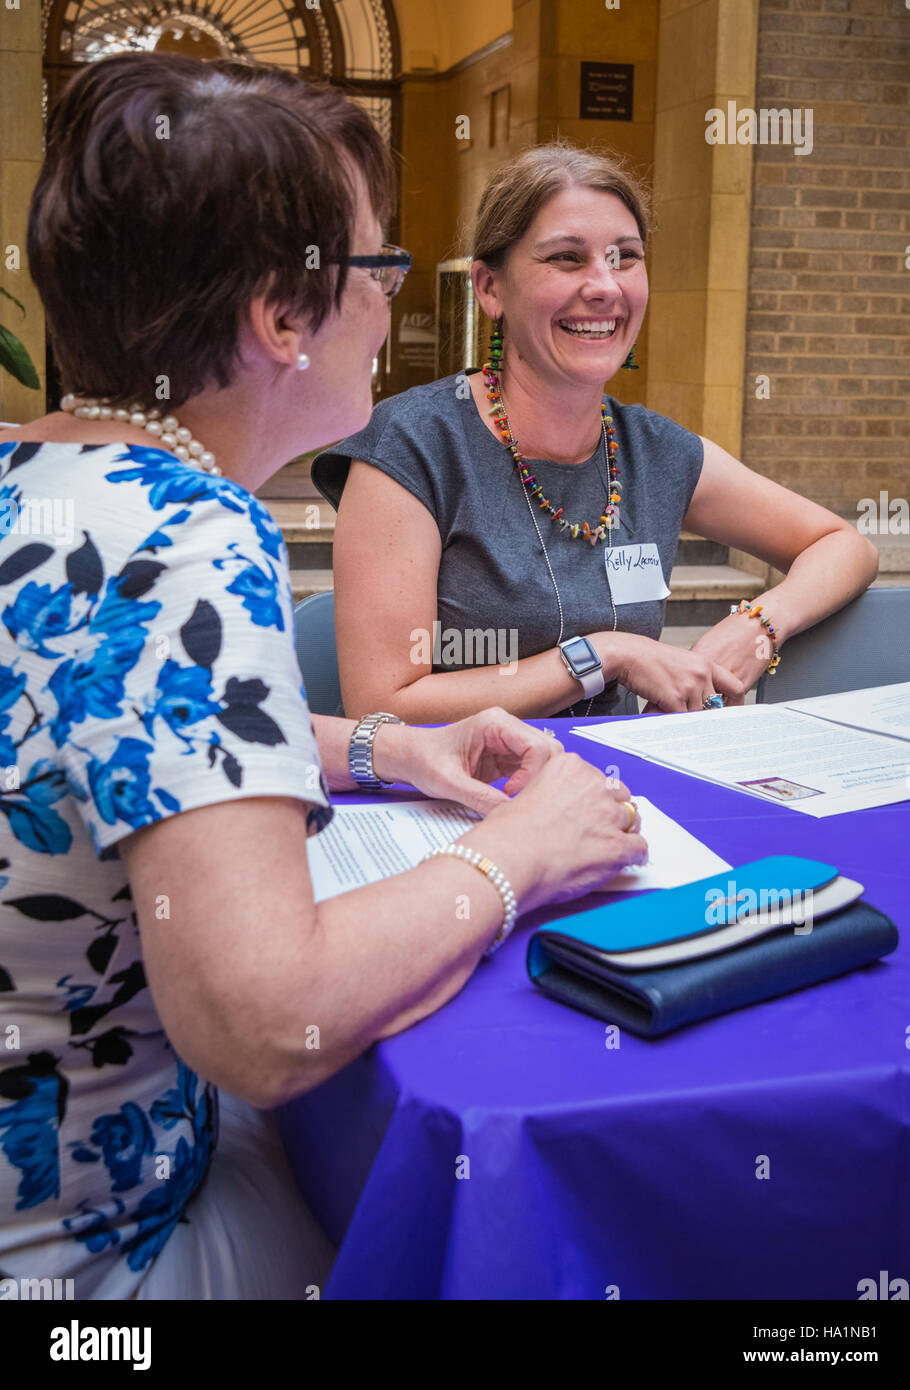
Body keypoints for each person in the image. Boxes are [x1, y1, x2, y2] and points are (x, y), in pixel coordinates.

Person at [0, 55, 647, 1300]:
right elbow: (266, 1021)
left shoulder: (42, 481)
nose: (392, 297)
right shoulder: (190, 530)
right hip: (87, 1265)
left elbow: (89, 723)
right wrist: (519, 853)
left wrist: (383, 750)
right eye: (376, 267)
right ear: (282, 318)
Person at [313, 141, 879, 723]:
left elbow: (844, 547)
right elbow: (382, 704)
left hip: (616, 789)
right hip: (457, 795)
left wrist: (757, 625)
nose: (605, 285)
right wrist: (604, 655)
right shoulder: (415, 442)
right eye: (566, 258)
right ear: (490, 288)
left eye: (624, 256)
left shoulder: (654, 451)